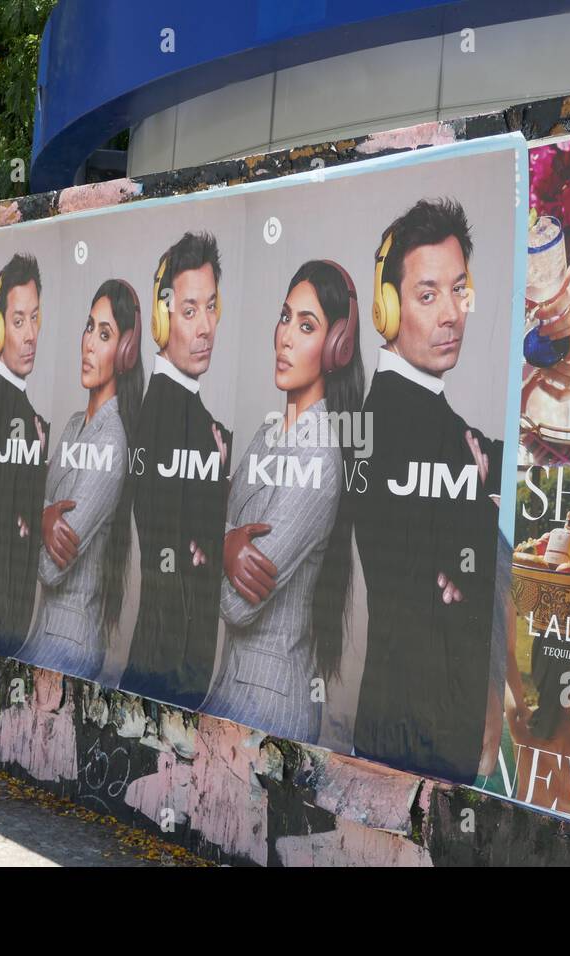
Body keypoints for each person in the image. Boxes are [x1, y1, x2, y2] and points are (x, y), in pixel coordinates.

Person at [352, 198, 504, 783]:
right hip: (417, 742)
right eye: (427, 295)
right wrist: (480, 512)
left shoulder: (444, 425)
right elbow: (436, 580)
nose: (451, 314)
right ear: (387, 310)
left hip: (421, 733)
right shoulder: (391, 419)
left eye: (458, 290)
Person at [202, 260, 365, 743]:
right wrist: (226, 542)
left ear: (337, 348)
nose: (286, 337)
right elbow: (225, 529)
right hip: (232, 687)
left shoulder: (319, 452)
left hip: (270, 705)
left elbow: (237, 604)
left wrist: (219, 543)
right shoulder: (268, 435)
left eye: (307, 325)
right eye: (285, 317)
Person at [121, 232, 233, 709]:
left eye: (211, 307)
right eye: (189, 312)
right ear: (163, 320)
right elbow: (174, 559)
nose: (205, 326)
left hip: (178, 677)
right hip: (164, 675)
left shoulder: (199, 420)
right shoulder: (162, 415)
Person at [15, 280, 144, 678]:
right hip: (44, 631)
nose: (89, 343)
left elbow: (51, 567)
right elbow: (36, 512)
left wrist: (35, 517)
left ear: (124, 353)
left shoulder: (112, 437)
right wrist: (41, 515)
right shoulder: (73, 426)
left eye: (105, 334)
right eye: (90, 327)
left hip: (72, 641)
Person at [0, 253, 51, 656]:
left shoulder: (15, 404)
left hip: (5, 604)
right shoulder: (3, 403)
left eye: (35, 318)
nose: (31, 334)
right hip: (2, 605)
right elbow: (10, 517)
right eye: (18, 321)